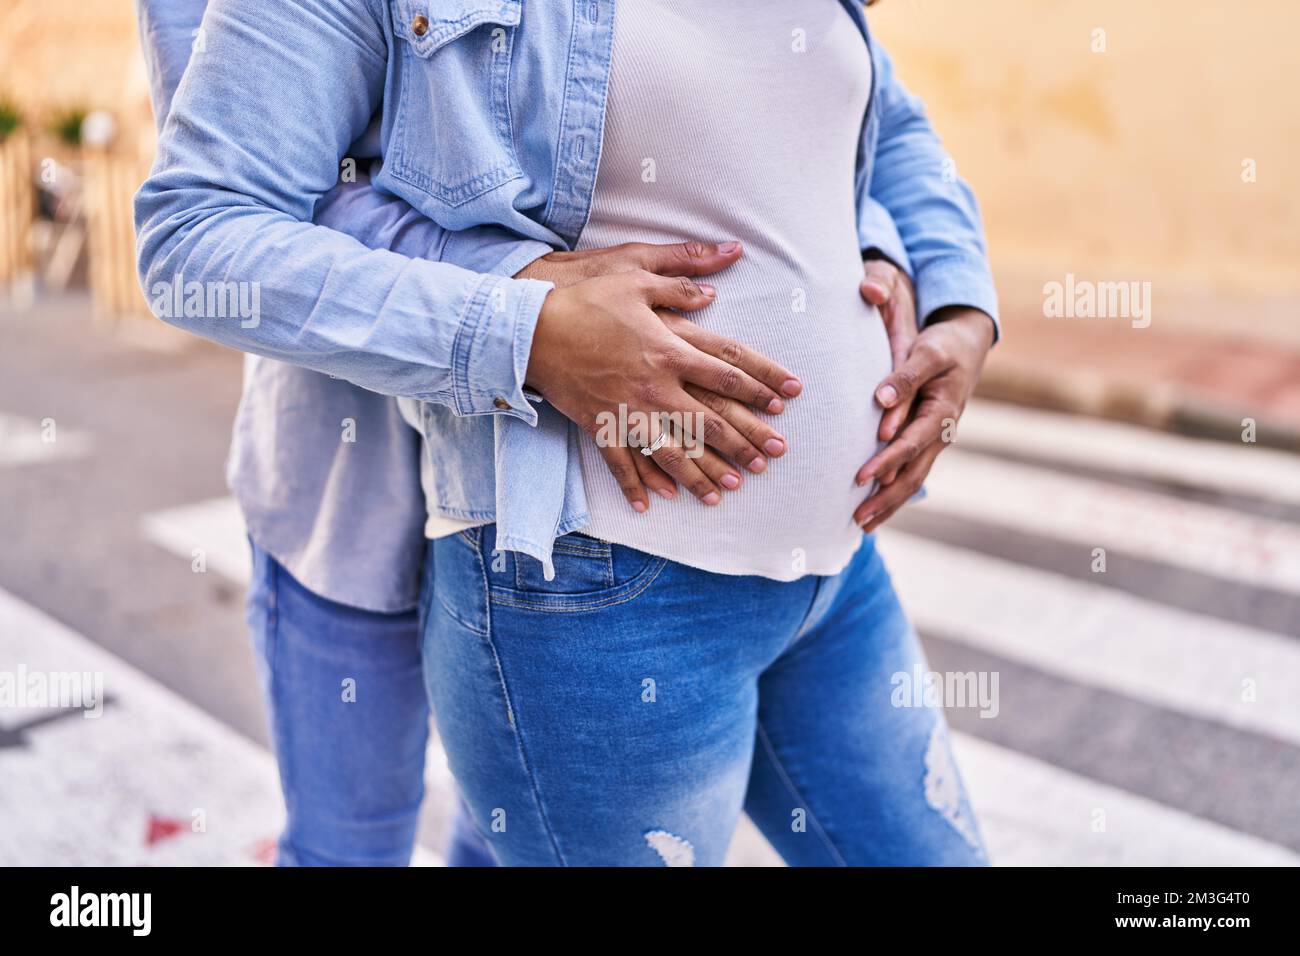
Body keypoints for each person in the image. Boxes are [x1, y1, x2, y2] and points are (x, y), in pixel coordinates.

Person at [137, 0, 997, 866]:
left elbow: (868, 117)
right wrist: (530, 326)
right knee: (347, 848)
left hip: (833, 577)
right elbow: (231, 217)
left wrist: (955, 300)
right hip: (576, 573)